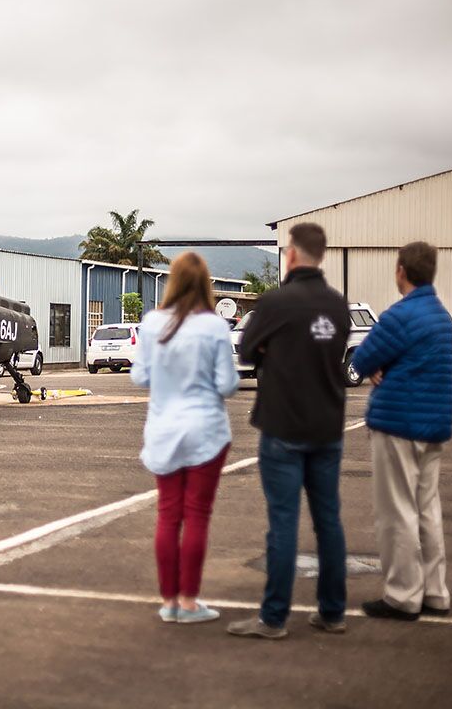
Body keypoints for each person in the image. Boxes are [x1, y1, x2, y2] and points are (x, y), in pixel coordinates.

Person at [226, 222, 351, 640]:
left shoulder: (276, 302)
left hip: (282, 425)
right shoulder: (338, 305)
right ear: (323, 255)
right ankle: (332, 611)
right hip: (328, 427)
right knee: (328, 520)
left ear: (292, 254)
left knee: (283, 522)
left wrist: (270, 348)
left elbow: (244, 350)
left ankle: (274, 617)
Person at [131, 252, 239, 624]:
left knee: (168, 514)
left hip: (163, 430)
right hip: (206, 430)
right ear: (205, 285)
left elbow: (140, 378)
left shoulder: (151, 324)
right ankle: (190, 601)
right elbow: (227, 383)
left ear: (171, 282)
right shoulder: (214, 326)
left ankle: (169, 602)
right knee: (196, 515)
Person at [351, 242, 452, 621]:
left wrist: (381, 367)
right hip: (433, 428)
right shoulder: (442, 318)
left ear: (401, 271)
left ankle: (402, 595)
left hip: (398, 425)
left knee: (397, 512)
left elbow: (362, 359)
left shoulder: (400, 316)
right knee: (428, 509)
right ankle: (435, 591)